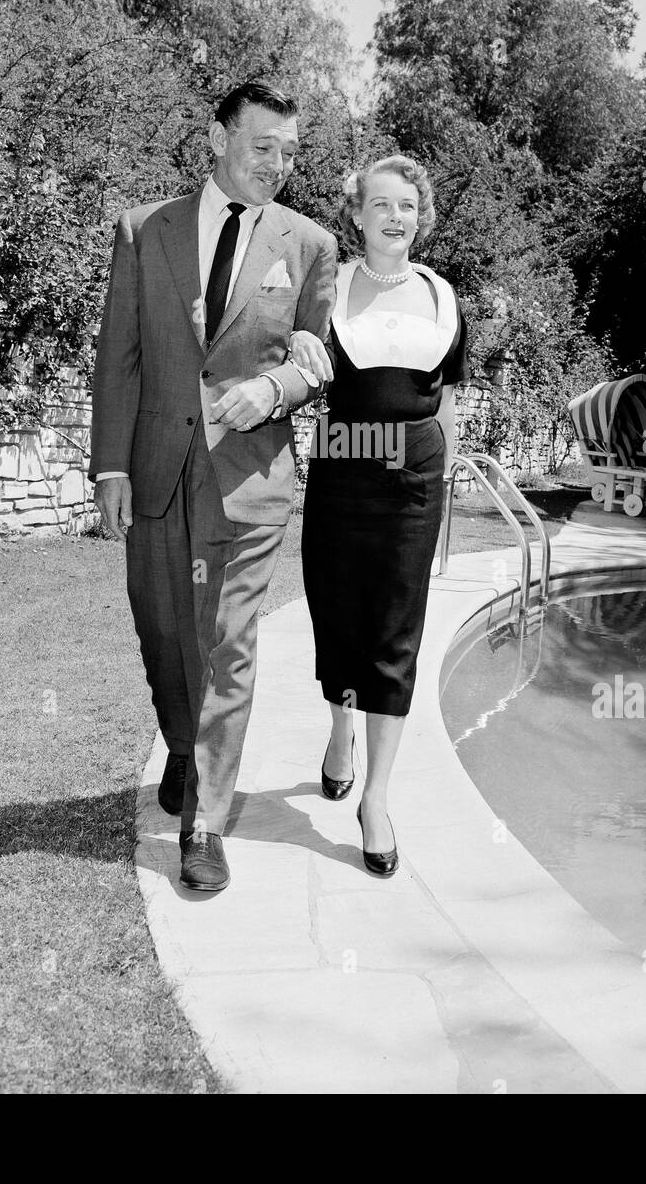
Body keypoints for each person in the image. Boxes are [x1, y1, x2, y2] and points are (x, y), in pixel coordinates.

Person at [89, 81, 337, 893]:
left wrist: (272, 393)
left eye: (290, 152)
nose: (277, 164)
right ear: (218, 137)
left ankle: (203, 820)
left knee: (227, 646)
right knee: (164, 637)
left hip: (249, 479)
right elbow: (117, 358)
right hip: (158, 471)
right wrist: (112, 466)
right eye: (263, 146)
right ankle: (183, 743)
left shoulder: (308, 245)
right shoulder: (142, 231)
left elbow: (314, 358)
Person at [300, 156, 468, 876]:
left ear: (418, 216)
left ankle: (376, 798)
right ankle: (340, 730)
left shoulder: (441, 295)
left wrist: (443, 485)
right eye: (380, 204)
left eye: (406, 206)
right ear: (358, 215)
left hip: (414, 482)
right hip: (341, 470)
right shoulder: (326, 287)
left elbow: (448, 397)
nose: (394, 217)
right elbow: (297, 371)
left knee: (395, 631)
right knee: (338, 619)